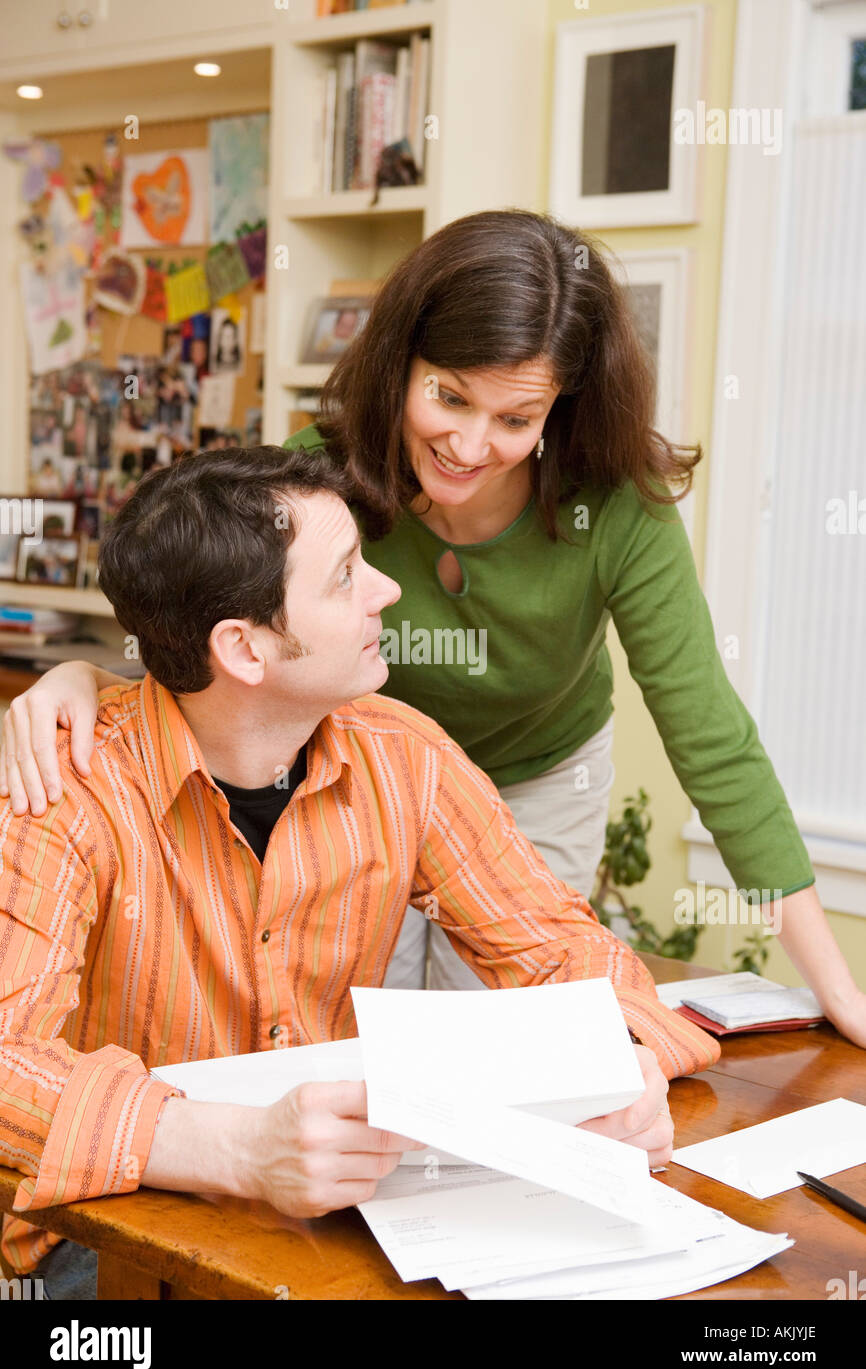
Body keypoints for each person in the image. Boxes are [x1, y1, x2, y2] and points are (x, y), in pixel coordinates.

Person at [5, 210, 863, 1043]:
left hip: (535, 780)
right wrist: (86, 678)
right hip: (357, 782)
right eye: (448, 396)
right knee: (352, 1027)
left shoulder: (617, 510)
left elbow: (710, 738)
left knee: (500, 1038)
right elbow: (216, 614)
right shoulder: (318, 474)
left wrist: (836, 989)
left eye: (515, 419)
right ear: (402, 364)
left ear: (559, 410)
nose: (468, 444)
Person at [0, 445, 710, 1298]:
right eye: (345, 578)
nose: (387, 591)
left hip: (343, 1220)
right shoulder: (63, 785)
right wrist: (237, 1147)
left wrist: (622, 1061)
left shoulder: (401, 756)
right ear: (246, 649)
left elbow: (563, 946)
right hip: (119, 1229)